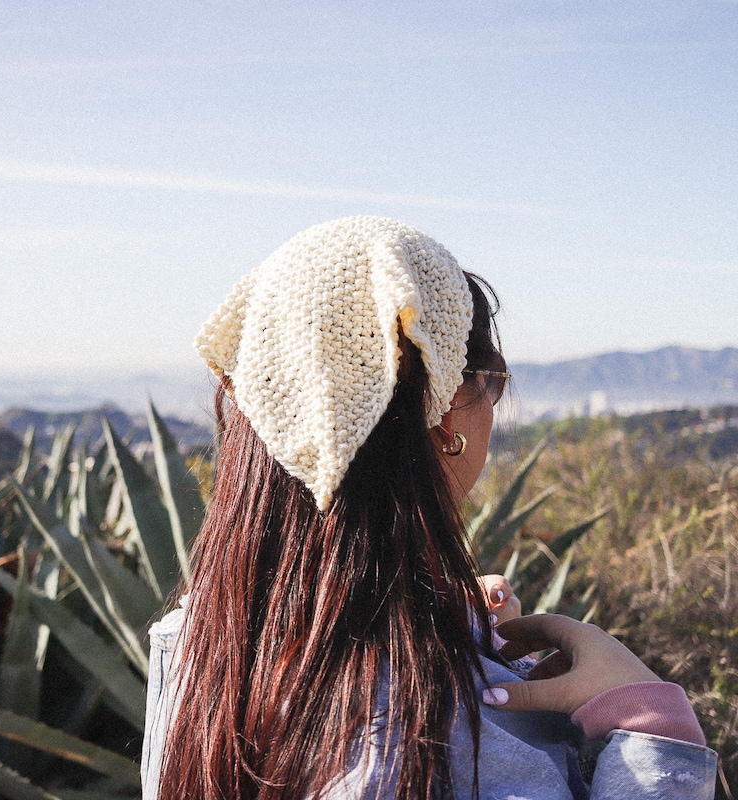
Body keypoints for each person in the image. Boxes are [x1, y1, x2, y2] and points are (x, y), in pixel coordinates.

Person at [141, 216, 716, 799]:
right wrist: (649, 720)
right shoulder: (428, 727)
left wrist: (450, 623)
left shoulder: (195, 649)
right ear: (444, 410)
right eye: (489, 382)